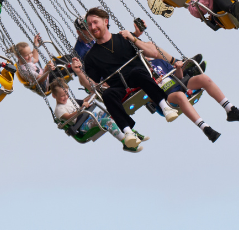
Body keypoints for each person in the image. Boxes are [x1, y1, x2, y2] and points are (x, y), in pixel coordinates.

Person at [72, 8, 190, 149]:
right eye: (88, 25)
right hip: (119, 87)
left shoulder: (124, 37)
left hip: (137, 77)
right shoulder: (89, 56)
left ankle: (165, 106)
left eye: (94, 23)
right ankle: (128, 132)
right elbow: (91, 86)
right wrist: (80, 73)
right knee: (108, 94)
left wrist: (134, 37)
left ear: (105, 22)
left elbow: (152, 52)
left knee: (137, 71)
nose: (92, 27)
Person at [49, 81, 139, 151]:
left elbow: (84, 101)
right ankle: (126, 143)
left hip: (90, 117)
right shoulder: (59, 109)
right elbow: (69, 117)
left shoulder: (69, 100)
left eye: (66, 94)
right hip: (83, 126)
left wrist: (93, 94)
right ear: (54, 96)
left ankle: (129, 131)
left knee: (111, 111)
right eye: (62, 96)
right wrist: (80, 110)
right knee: (108, 122)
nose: (65, 97)